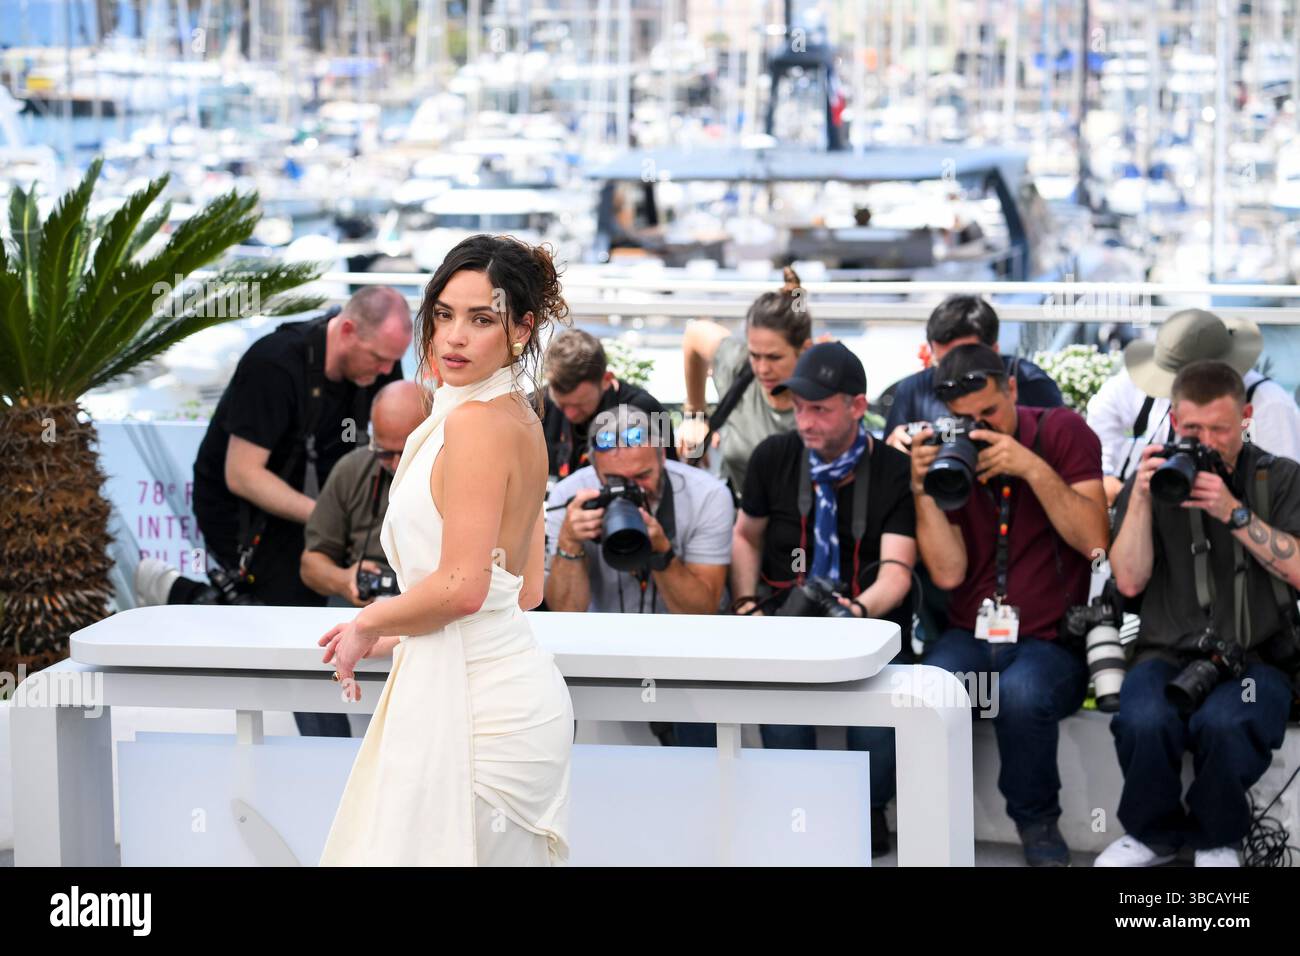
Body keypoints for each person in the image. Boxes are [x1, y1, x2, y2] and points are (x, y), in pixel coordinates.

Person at [318, 234, 573, 867]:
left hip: (482, 722)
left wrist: (367, 623)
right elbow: (526, 590)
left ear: (521, 329)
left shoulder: (474, 422)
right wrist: (405, 634)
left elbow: (463, 589)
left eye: (481, 319)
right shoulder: (516, 413)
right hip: (495, 696)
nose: (454, 337)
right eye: (443, 314)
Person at [910, 343, 1109, 866]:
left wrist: (1031, 468)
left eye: (990, 413)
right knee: (922, 692)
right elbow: (949, 573)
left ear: (1013, 391)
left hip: (1049, 639)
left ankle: (1037, 825)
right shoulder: (951, 453)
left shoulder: (1062, 431)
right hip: (969, 637)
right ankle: (924, 822)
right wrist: (923, 490)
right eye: (964, 420)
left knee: (1020, 694)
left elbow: (1096, 544)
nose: (981, 429)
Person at [1101, 360, 1300, 867]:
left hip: (1255, 657)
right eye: (1193, 429)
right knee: (1144, 718)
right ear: (1173, 420)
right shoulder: (1153, 479)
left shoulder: (1279, 478)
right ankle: (1153, 833)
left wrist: (1234, 513)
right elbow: (1127, 581)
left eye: (1220, 429)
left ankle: (1217, 838)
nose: (1207, 441)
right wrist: (1142, 499)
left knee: (1226, 724)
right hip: (1167, 649)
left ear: (1246, 418)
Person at [722, 341, 917, 857]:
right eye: (800, 408)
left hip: (869, 627)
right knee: (782, 717)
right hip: (788, 623)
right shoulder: (775, 456)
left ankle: (870, 810)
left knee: (878, 726)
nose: (806, 422)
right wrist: (746, 604)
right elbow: (746, 536)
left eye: (821, 410)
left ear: (858, 406)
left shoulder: (894, 470)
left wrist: (858, 614)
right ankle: (799, 810)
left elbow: (898, 570)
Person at [1087, 308, 1300, 506]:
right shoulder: (1133, 387)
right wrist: (1116, 481)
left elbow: (1283, 494)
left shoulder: (1270, 405)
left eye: (1219, 428)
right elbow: (1101, 422)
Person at [544, 404, 733, 615]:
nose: (633, 489)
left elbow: (703, 612)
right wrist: (569, 543)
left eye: (642, 476)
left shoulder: (707, 495)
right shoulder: (569, 495)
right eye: (616, 480)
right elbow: (566, 612)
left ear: (662, 456)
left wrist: (662, 552)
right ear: (594, 468)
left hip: (681, 637)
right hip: (600, 635)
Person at [679, 268, 812, 500]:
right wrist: (695, 415)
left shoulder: (824, 397)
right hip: (739, 517)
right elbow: (694, 334)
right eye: (755, 355)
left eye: (774, 357)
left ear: (805, 350)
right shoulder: (738, 365)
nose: (761, 369)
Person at [300, 381, 427, 606]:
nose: (396, 465)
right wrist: (343, 580)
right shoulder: (351, 469)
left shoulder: (464, 472)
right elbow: (311, 564)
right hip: (363, 607)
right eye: (385, 453)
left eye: (408, 451)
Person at [883, 295, 1063, 452]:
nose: (953, 374)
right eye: (943, 364)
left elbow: (1059, 450)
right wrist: (895, 451)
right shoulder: (913, 390)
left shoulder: (1032, 384)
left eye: (988, 411)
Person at [541, 329, 672, 481]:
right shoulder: (538, 407)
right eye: (562, 404)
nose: (570, 414)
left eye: (580, 404)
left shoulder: (647, 411)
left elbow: (667, 479)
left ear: (606, 379)